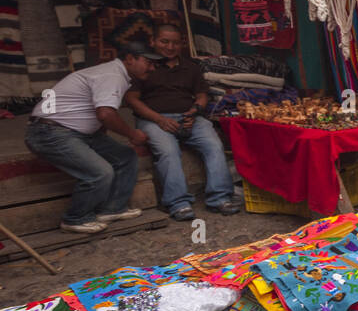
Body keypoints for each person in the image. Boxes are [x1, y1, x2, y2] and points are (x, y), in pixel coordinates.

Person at [25, 43, 157, 233]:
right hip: (49, 132)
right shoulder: (112, 75)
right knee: (100, 172)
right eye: (148, 62)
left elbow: (98, 112)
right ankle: (75, 218)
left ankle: (112, 209)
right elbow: (105, 114)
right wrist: (133, 134)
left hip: (76, 132)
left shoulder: (114, 73)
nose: (151, 68)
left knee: (125, 156)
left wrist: (100, 132)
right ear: (129, 59)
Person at [123, 24, 237, 221]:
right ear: (153, 42)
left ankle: (220, 198)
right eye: (164, 41)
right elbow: (132, 99)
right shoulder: (145, 66)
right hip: (154, 119)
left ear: (182, 44)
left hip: (189, 117)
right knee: (168, 151)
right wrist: (159, 119)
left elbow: (202, 95)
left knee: (214, 145)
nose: (170, 47)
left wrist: (195, 111)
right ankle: (178, 203)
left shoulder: (190, 67)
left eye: (175, 43)